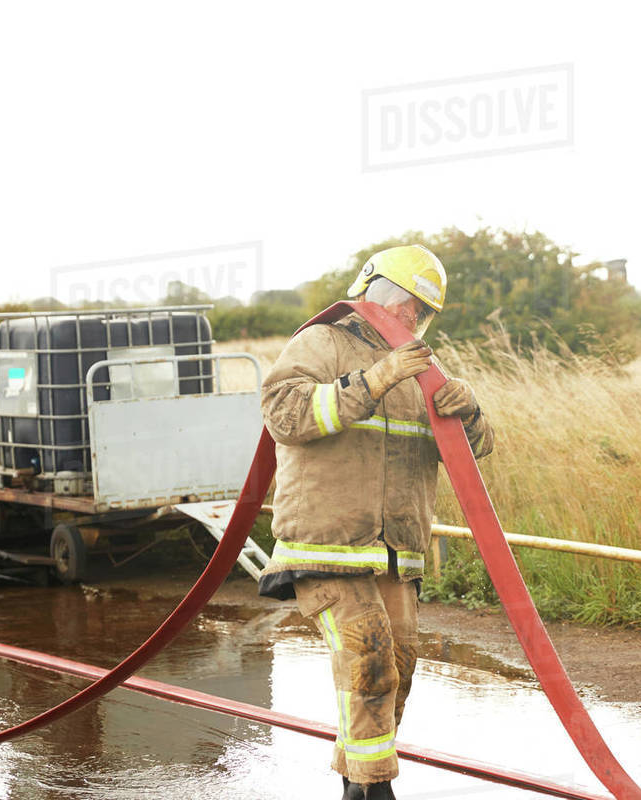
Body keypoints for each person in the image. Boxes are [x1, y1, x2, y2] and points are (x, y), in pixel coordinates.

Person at [257, 244, 494, 799]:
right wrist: (376, 378)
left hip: (395, 552)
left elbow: (474, 450)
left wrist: (470, 411)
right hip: (328, 547)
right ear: (373, 291)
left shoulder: (422, 368)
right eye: (404, 303)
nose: (410, 317)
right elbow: (283, 414)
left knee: (398, 668)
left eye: (421, 311)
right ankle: (374, 792)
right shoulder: (321, 342)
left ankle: (356, 783)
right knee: (369, 657)